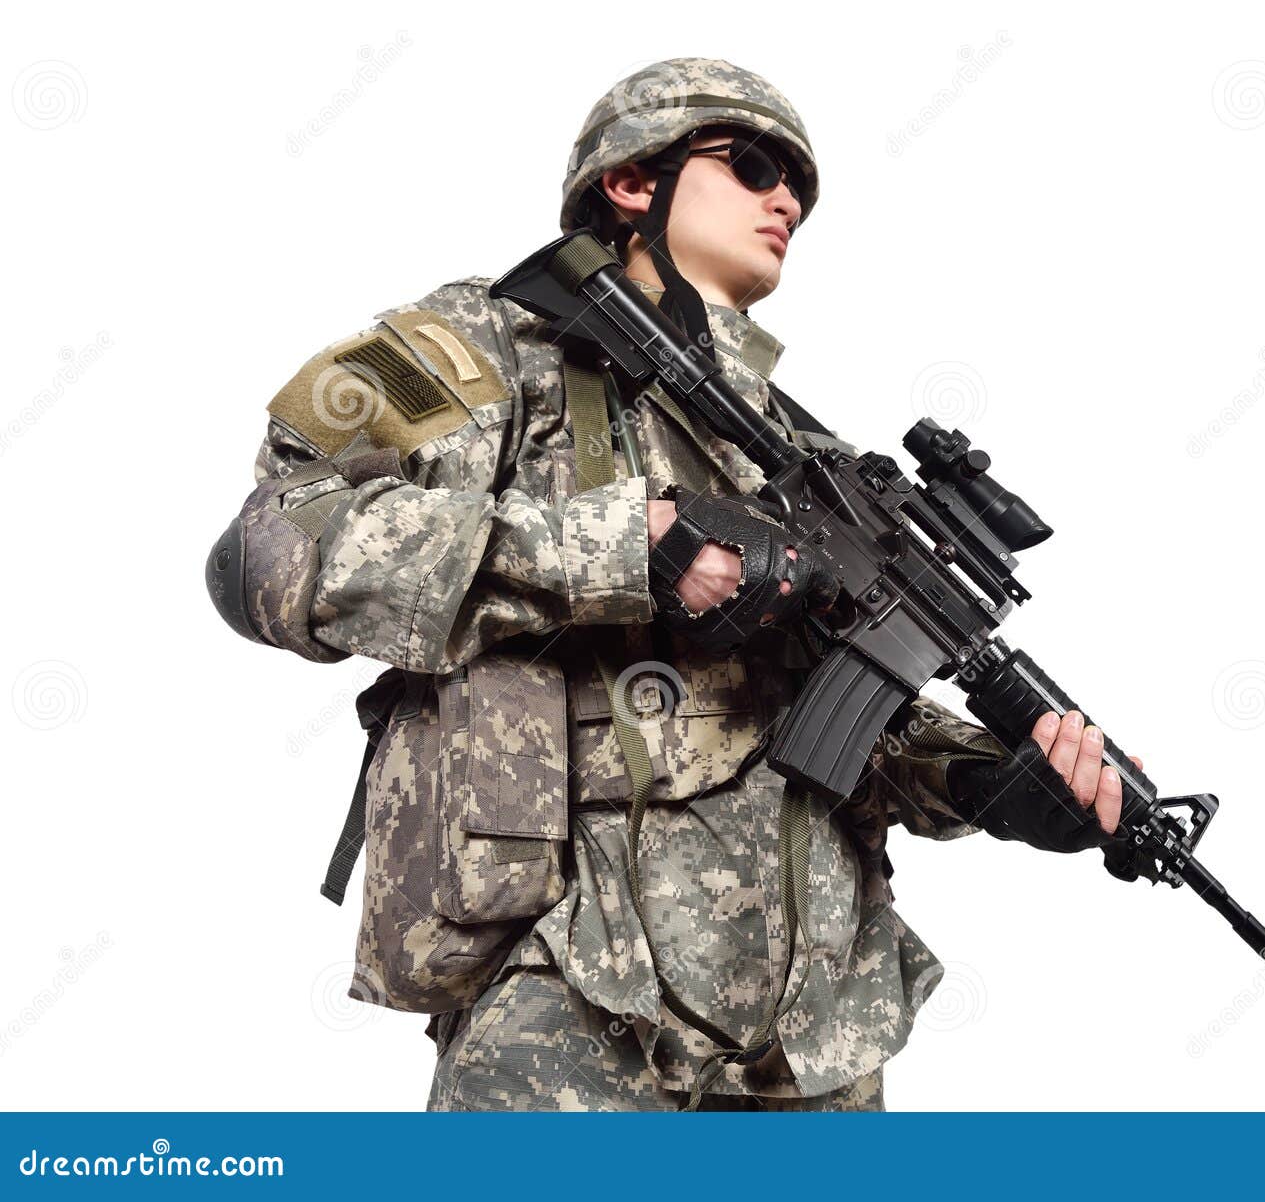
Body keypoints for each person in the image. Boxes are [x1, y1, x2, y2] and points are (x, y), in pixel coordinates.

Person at [205, 58, 1138, 1112]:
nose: (785, 198)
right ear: (632, 183)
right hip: (570, 1005)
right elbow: (271, 544)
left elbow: (836, 725)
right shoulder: (481, 344)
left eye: (798, 186)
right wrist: (620, 546)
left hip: (816, 1037)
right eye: (749, 163)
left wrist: (989, 780)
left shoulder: (801, 451)